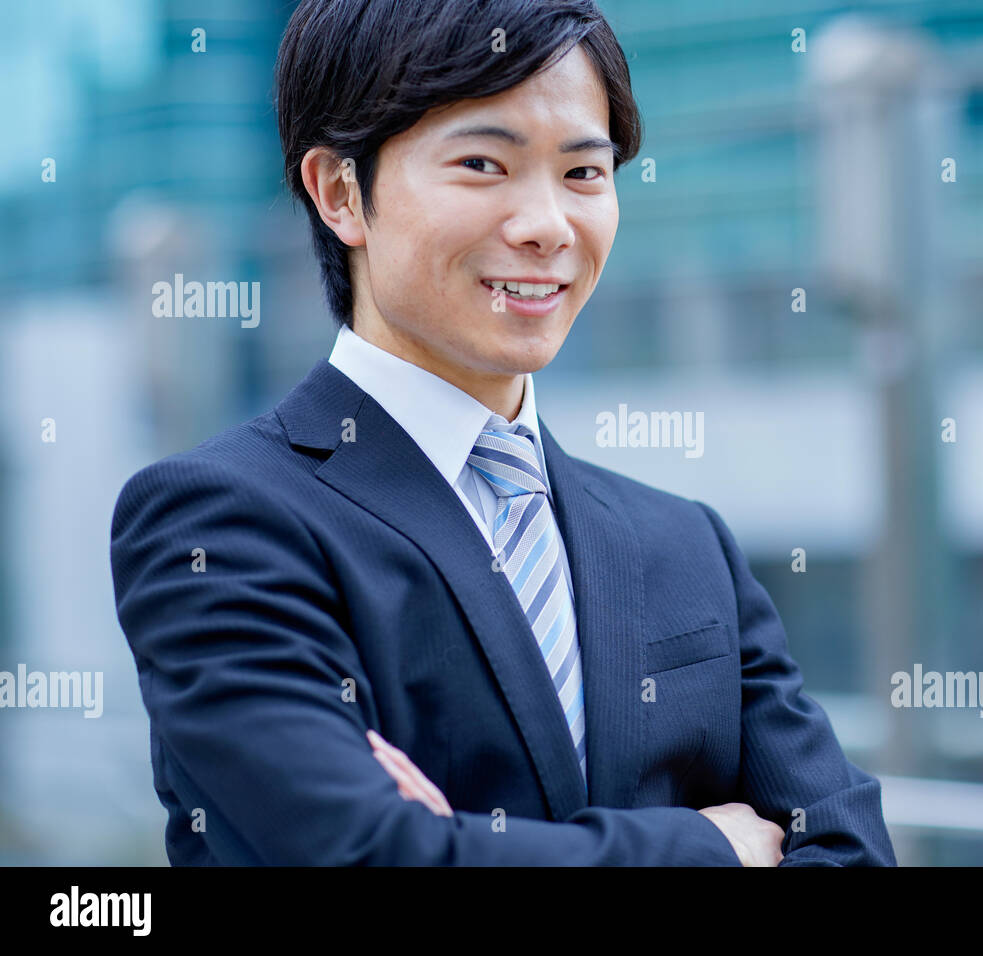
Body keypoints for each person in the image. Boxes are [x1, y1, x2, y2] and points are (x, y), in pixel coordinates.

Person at [109, 0, 897, 867]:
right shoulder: (220, 520)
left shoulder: (685, 542)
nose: (547, 225)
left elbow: (852, 848)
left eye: (584, 175)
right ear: (340, 192)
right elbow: (361, 852)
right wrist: (707, 847)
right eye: (483, 164)